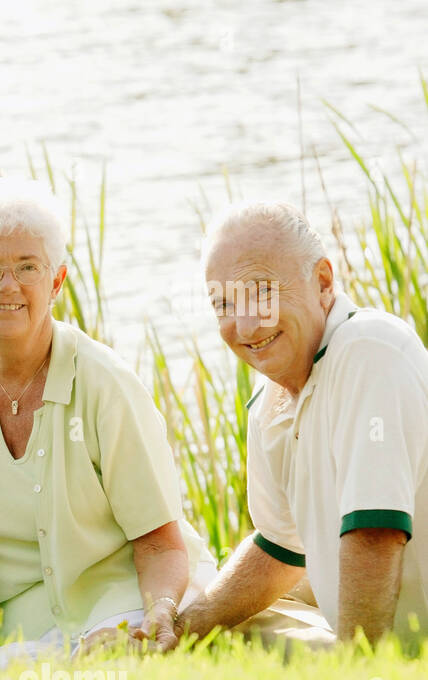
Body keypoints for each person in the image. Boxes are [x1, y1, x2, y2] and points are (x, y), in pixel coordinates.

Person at [0, 177, 218, 663]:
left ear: (56, 281)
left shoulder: (105, 384)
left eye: (27, 267)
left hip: (123, 604)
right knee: (13, 678)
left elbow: (160, 543)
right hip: (15, 639)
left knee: (101, 668)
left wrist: (158, 614)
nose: (7, 286)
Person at [175, 201, 428, 645]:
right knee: (228, 632)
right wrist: (182, 631)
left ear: (323, 282)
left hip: (406, 653)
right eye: (224, 304)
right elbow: (280, 548)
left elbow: (375, 535)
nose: (247, 325)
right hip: (371, 635)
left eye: (262, 292)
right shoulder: (270, 401)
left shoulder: (368, 351)